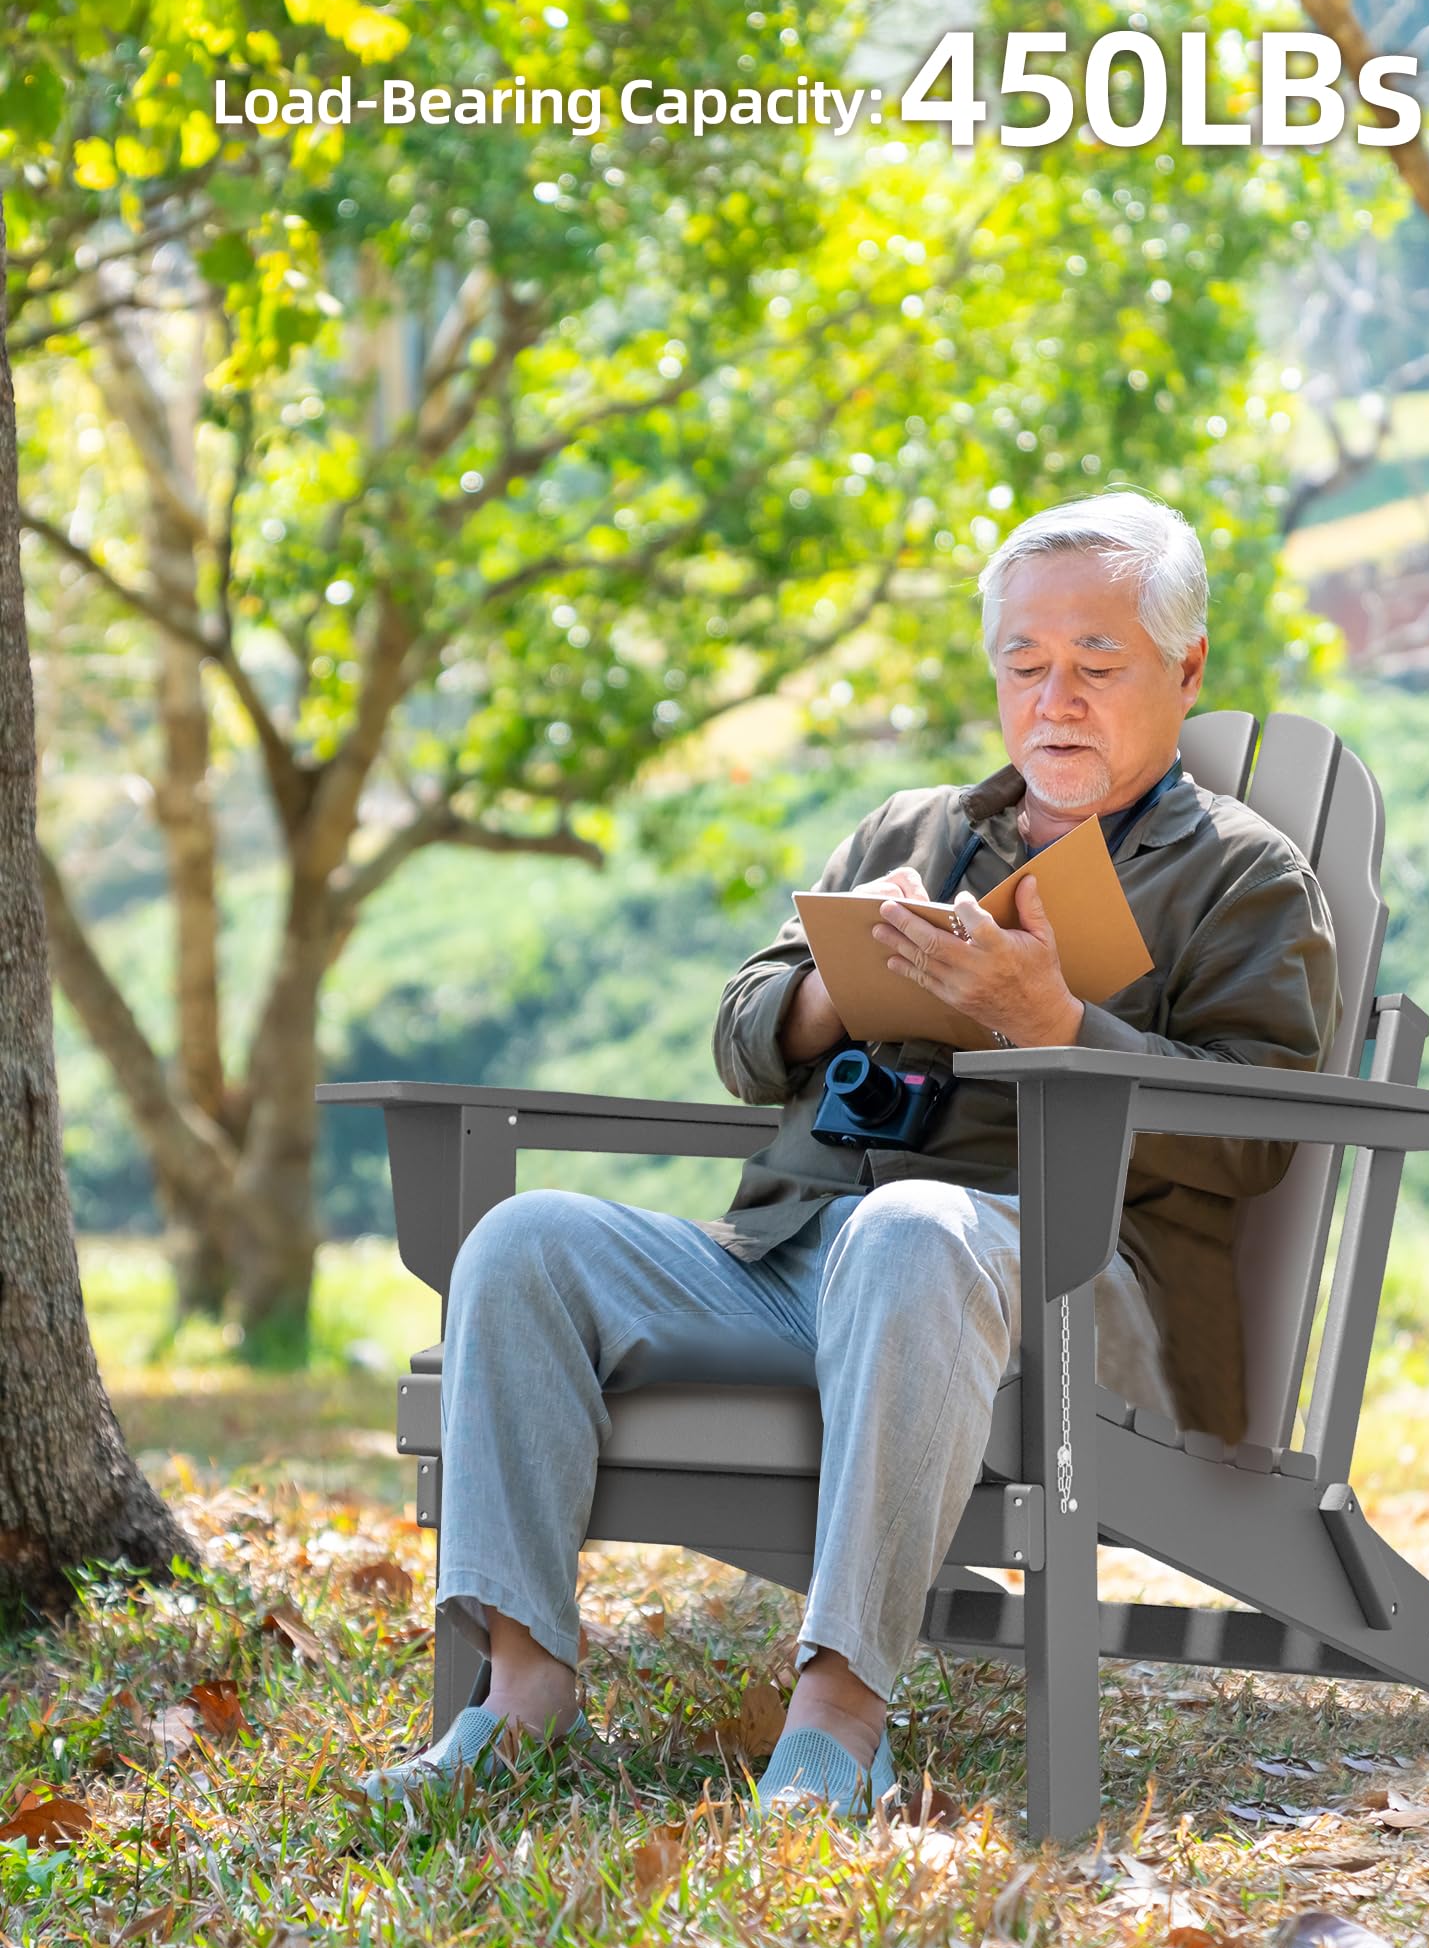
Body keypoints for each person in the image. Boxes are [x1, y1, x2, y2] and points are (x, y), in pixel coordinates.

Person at [363, 488, 1341, 1820]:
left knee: (914, 1228)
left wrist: (1059, 1025)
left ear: (1184, 672)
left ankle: (838, 1717)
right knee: (527, 1243)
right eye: (1026, 664)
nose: (1056, 698)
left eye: (1098, 667)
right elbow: (742, 1029)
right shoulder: (910, 834)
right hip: (802, 1254)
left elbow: (1261, 1137)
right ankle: (521, 1690)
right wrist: (835, 989)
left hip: (1068, 1287)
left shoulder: (1245, 877)